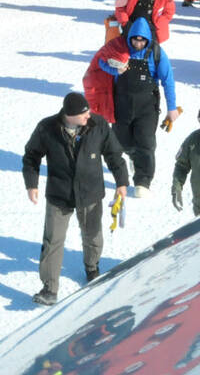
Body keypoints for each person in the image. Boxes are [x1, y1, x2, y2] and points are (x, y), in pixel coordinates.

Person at [23, 92, 130, 306]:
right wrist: (31, 184)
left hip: (90, 192)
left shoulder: (97, 125)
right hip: (59, 194)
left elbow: (114, 155)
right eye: (83, 113)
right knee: (52, 240)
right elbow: (31, 156)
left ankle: (92, 269)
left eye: (88, 111)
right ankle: (49, 288)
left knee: (92, 234)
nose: (88, 115)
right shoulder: (47, 128)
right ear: (69, 115)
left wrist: (121, 182)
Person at [94, 17, 181, 194]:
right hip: (121, 104)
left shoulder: (156, 53)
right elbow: (100, 62)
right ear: (130, 37)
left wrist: (172, 108)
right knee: (121, 142)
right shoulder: (119, 50)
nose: (138, 44)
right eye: (135, 39)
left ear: (147, 39)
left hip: (147, 107)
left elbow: (168, 81)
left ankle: (143, 181)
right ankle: (134, 157)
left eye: (142, 40)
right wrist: (115, 70)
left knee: (146, 142)